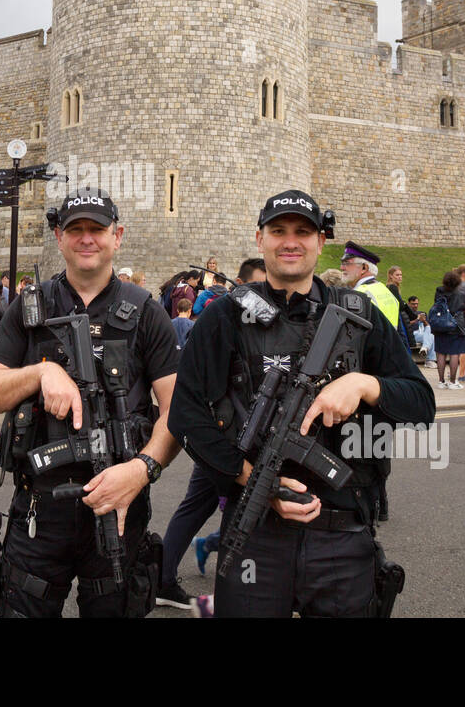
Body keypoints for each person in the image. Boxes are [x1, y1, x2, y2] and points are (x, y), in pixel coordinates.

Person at [168, 189, 434, 618]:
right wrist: (255, 481)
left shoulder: (359, 315)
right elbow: (186, 416)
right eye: (278, 231)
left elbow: (421, 403)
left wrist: (364, 386)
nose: (290, 241)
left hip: (344, 537)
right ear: (260, 239)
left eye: (303, 231)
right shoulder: (226, 317)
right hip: (255, 531)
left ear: (320, 242)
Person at [0, 188, 181, 618]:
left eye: (97, 229)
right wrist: (40, 372)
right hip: (39, 511)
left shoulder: (146, 312)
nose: (87, 238)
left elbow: (177, 411)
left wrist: (142, 470)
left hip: (121, 506)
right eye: (75, 229)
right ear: (59, 236)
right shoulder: (30, 307)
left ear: (117, 236)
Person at [157, 257, 266, 609]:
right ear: (240, 283)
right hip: (221, 439)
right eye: (258, 286)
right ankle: (166, 580)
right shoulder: (219, 322)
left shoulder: (266, 326)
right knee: (204, 509)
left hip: (253, 437)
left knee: (214, 508)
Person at [429, 271, 465, 390]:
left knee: (440, 353)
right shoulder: (460, 294)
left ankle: (441, 381)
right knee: (454, 354)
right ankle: (453, 382)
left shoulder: (439, 291)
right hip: (455, 326)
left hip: (440, 325)